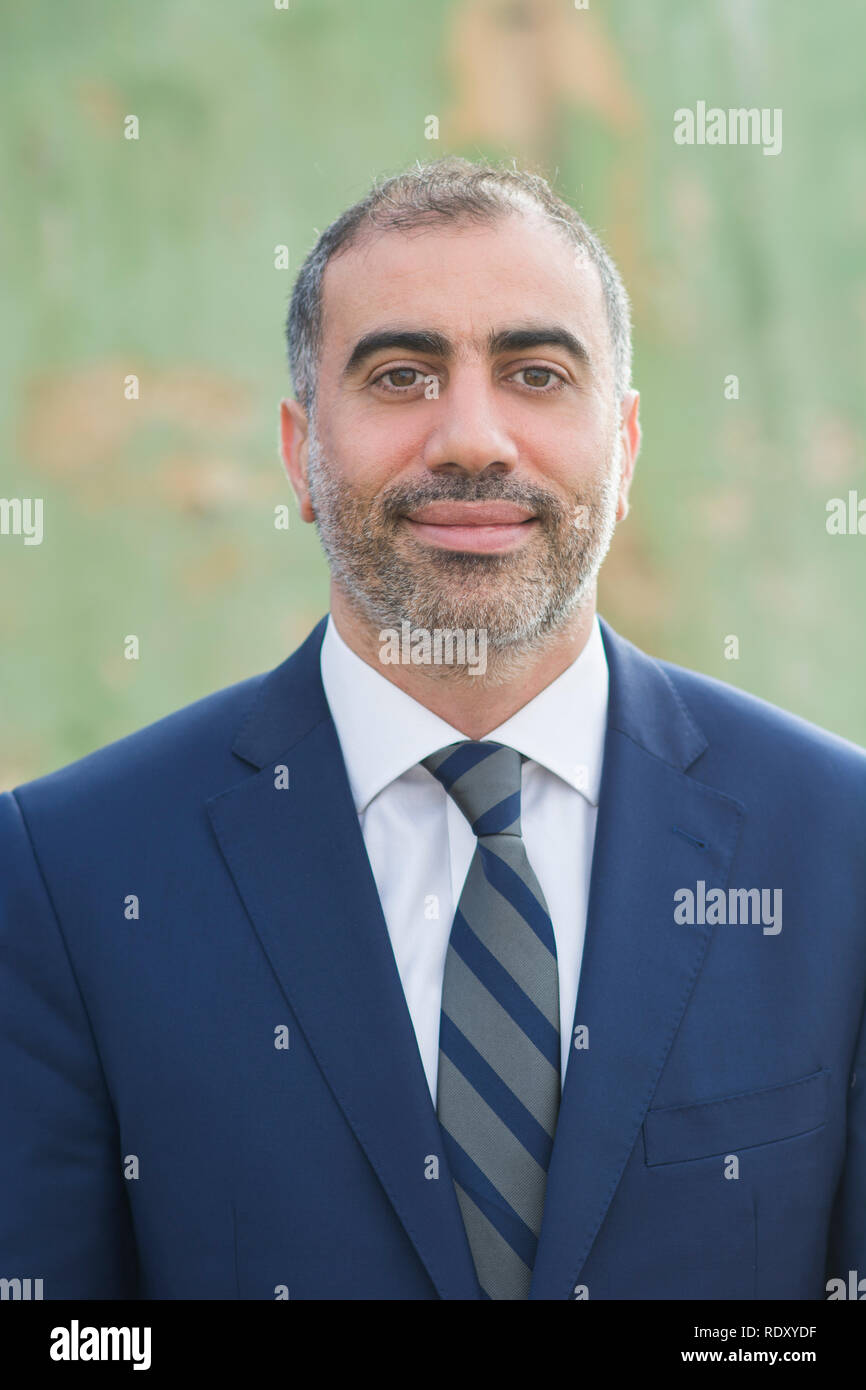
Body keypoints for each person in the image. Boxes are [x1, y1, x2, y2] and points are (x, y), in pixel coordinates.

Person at [1, 157, 864, 1301]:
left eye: (536, 373)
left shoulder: (836, 847)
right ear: (299, 453)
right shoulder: (68, 873)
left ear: (624, 450)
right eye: (402, 374)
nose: (471, 437)